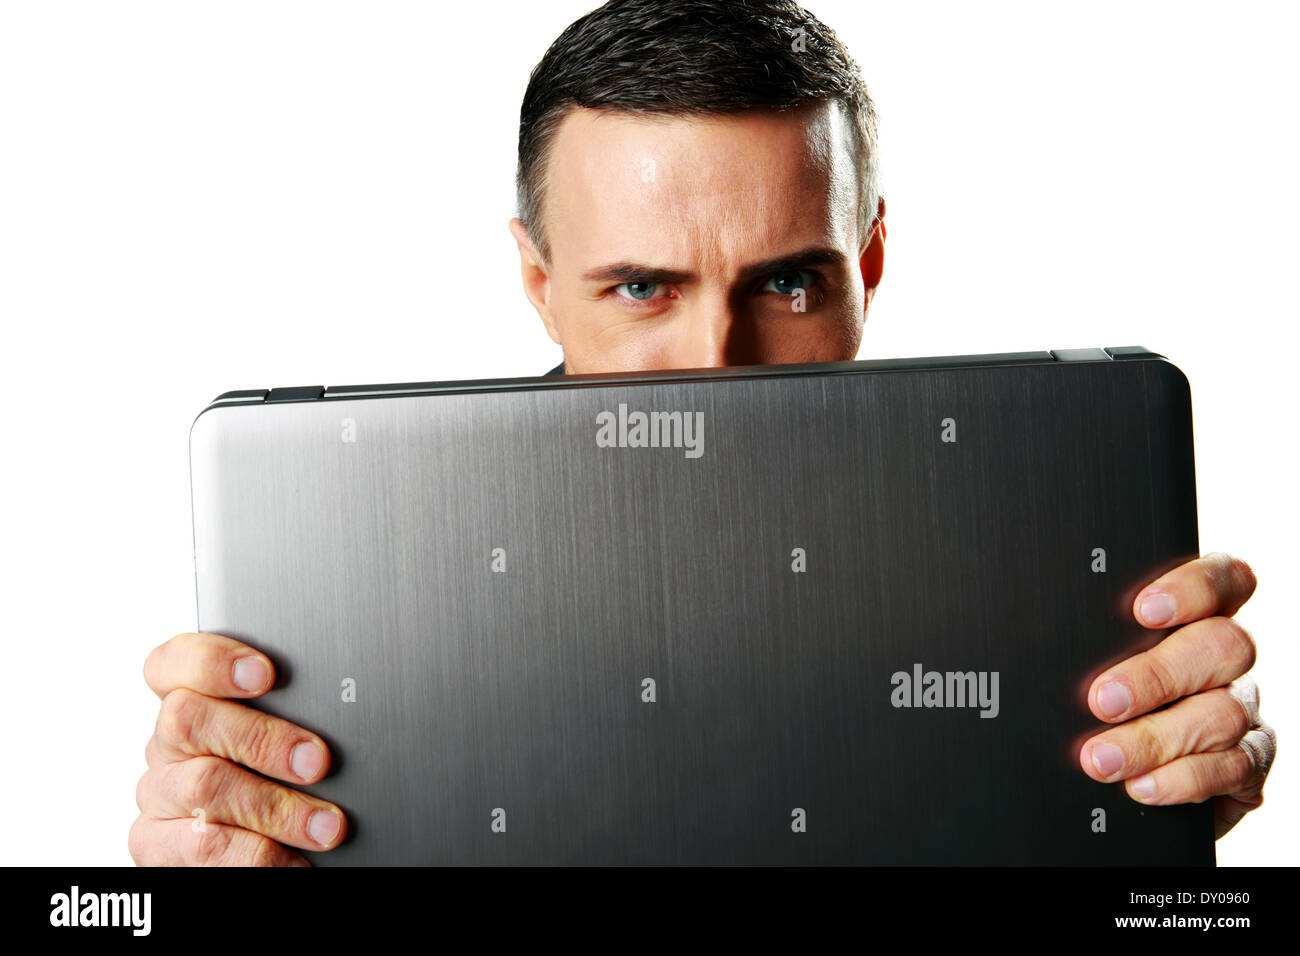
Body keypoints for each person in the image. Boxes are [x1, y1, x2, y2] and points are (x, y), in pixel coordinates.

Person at [130, 0, 1275, 865]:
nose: (714, 366)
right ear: (538, 280)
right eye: (641, 289)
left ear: (865, 267)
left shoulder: (1030, 556)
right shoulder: (368, 585)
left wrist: (1168, 863)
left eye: (783, 283)